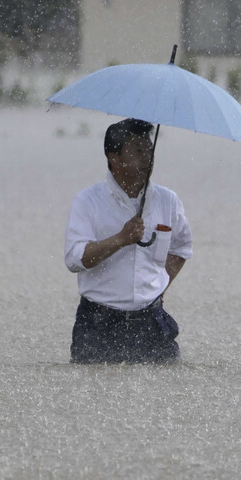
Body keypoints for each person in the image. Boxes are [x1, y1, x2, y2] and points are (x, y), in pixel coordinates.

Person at [63, 118, 193, 364]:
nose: (147, 158)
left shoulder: (168, 200)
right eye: (137, 151)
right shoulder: (87, 201)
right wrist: (120, 239)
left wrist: (160, 286)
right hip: (98, 324)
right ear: (114, 157)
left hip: (151, 322)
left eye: (149, 150)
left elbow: (181, 248)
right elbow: (74, 259)